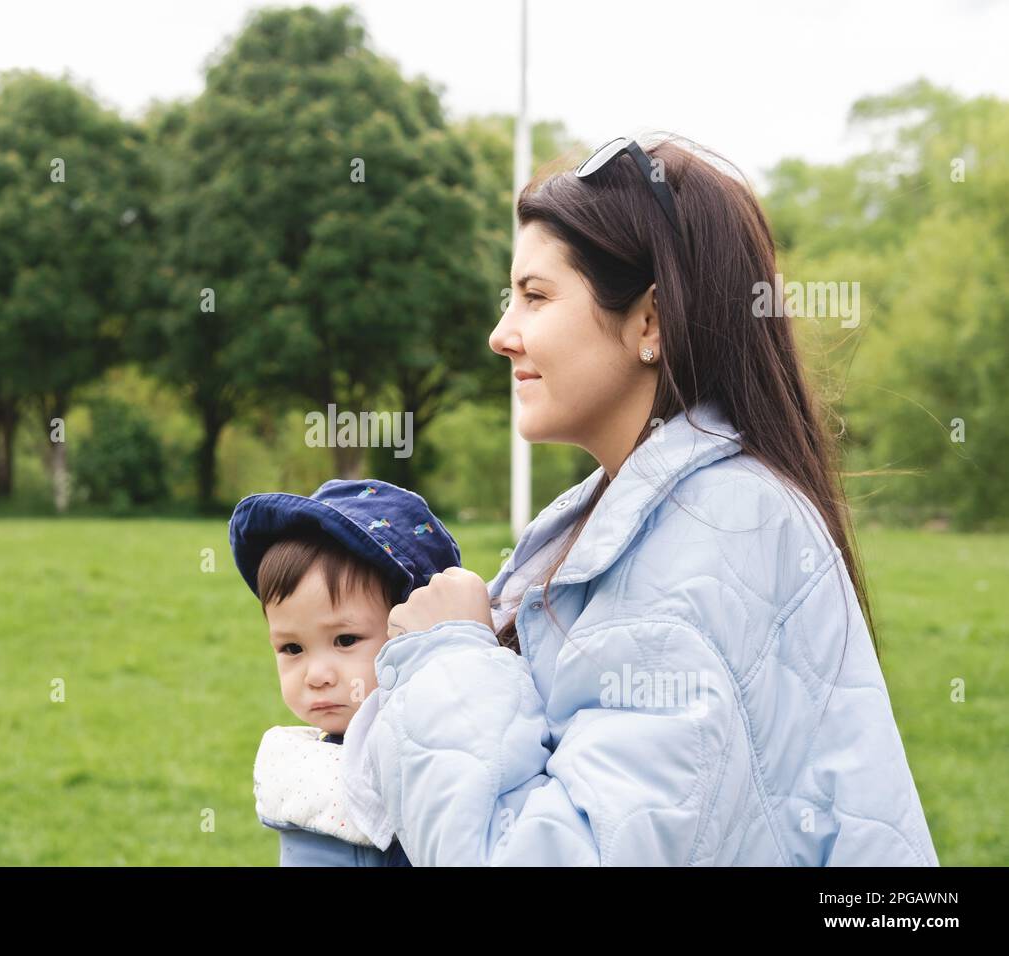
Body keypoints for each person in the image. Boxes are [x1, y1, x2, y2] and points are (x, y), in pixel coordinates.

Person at [339, 136, 940, 866]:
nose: (502, 335)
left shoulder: (707, 535)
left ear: (649, 321)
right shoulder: (661, 512)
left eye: (535, 296)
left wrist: (445, 659)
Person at [229, 478, 462, 866]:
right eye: (292, 648)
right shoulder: (314, 752)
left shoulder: (435, 749)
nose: (316, 675)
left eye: (346, 640)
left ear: (415, 634)